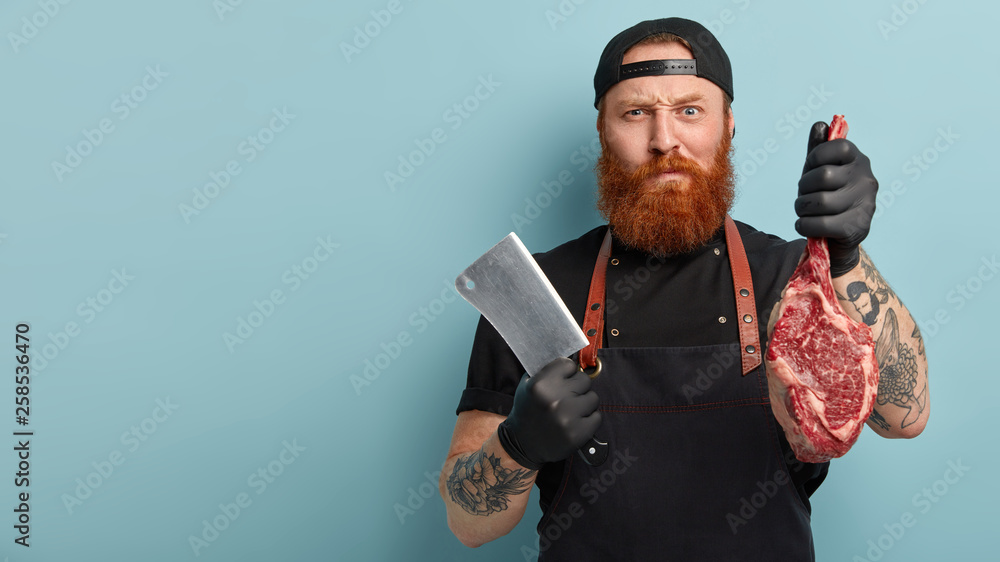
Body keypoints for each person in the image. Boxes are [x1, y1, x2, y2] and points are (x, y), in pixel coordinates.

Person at [439, 17, 929, 560]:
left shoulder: (798, 280)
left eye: (689, 111)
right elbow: (468, 525)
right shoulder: (533, 293)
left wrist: (845, 256)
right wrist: (518, 445)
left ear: (728, 125)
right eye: (636, 113)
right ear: (604, 130)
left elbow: (904, 417)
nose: (663, 139)